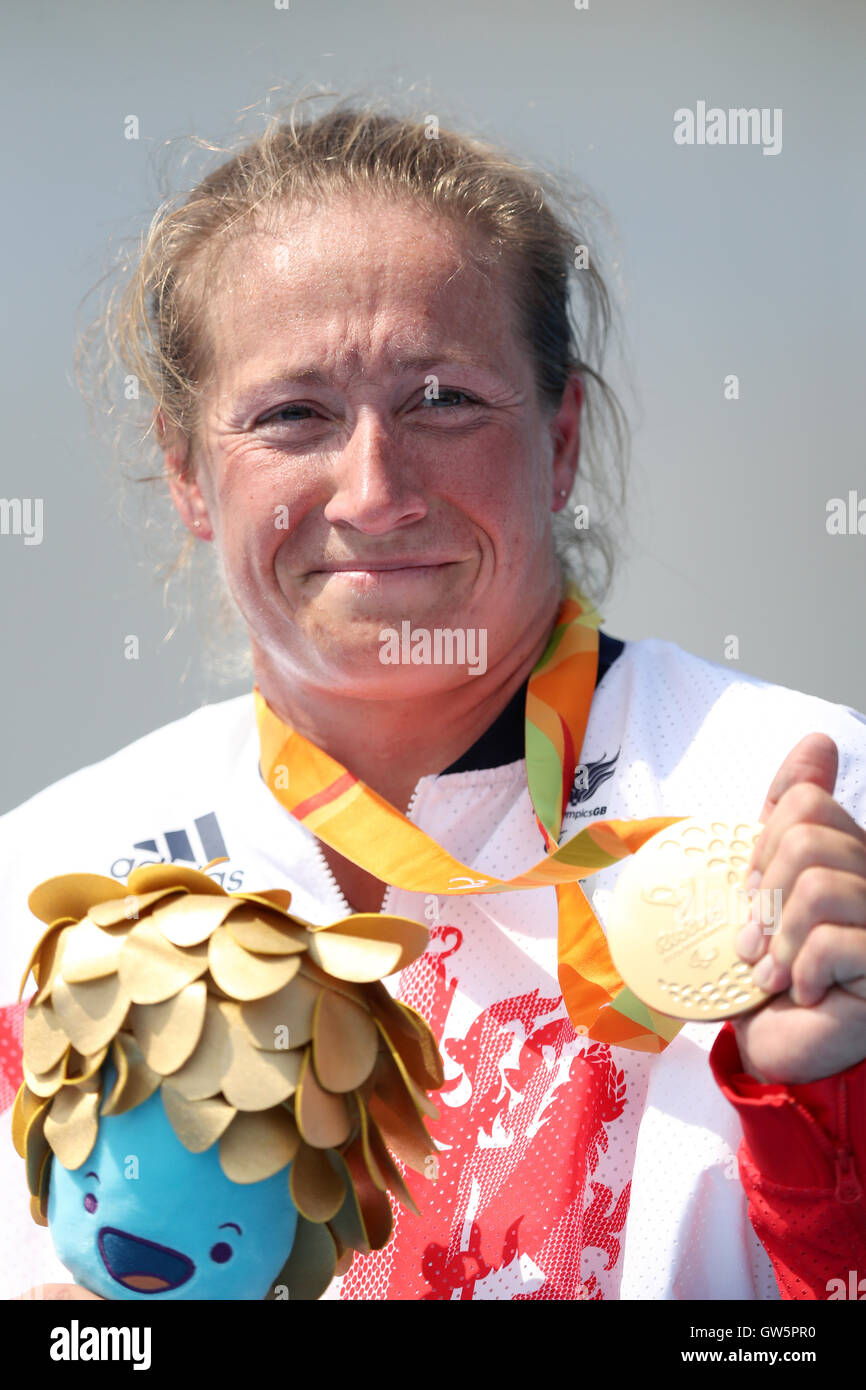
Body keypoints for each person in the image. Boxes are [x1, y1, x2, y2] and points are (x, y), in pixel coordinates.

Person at [2, 95, 865, 1303]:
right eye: (291, 414)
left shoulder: (805, 810)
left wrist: (833, 1118)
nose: (374, 491)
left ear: (559, 442)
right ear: (190, 473)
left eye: (443, 400)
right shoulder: (43, 887)